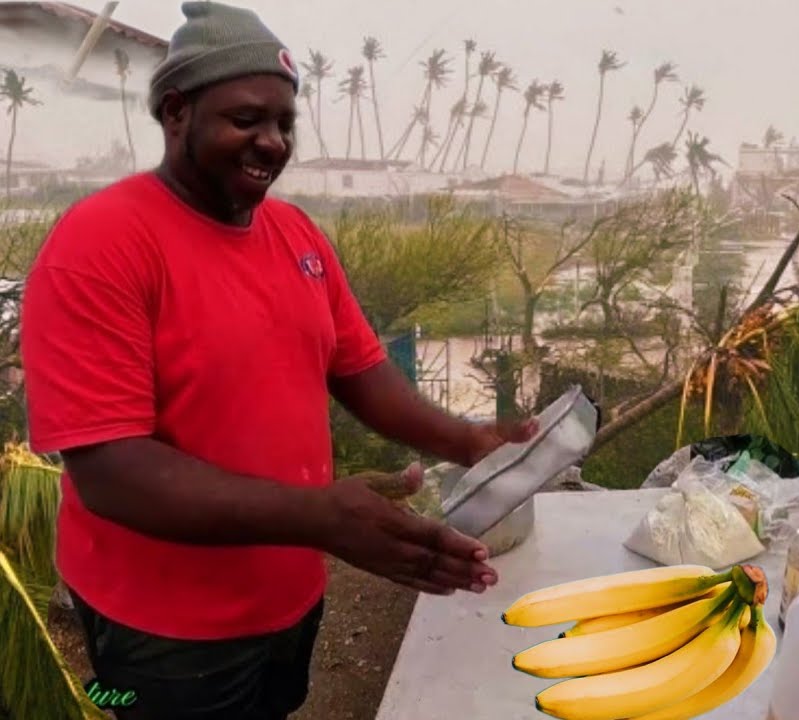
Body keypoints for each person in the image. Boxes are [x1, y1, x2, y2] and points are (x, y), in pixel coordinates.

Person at [18, 3, 536, 718]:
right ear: (176, 113)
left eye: (286, 123)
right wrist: (321, 517)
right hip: (164, 632)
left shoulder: (293, 233)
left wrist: (470, 442)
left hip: (288, 594)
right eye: (246, 119)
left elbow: (359, 370)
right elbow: (110, 471)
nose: (273, 142)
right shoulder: (102, 245)